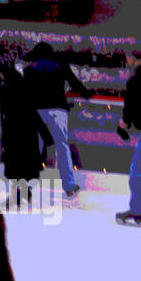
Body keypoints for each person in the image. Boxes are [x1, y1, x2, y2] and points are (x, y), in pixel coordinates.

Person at [23, 42, 92, 198]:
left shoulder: (29, 69)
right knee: (62, 147)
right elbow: (75, 84)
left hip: (37, 111)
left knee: (34, 148)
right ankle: (68, 186)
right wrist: (87, 94)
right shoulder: (60, 66)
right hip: (58, 110)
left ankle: (26, 185)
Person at [0, 46, 52, 185]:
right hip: (25, 132)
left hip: (16, 132)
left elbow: (20, 111)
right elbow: (32, 111)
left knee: (17, 166)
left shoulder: (9, 87)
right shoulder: (18, 83)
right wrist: (45, 134)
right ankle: (21, 194)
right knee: (22, 167)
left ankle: (19, 195)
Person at [116, 52, 141, 224]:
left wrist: (124, 123)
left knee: (137, 172)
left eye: (128, 58)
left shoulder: (136, 80)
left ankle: (135, 210)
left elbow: (132, 105)